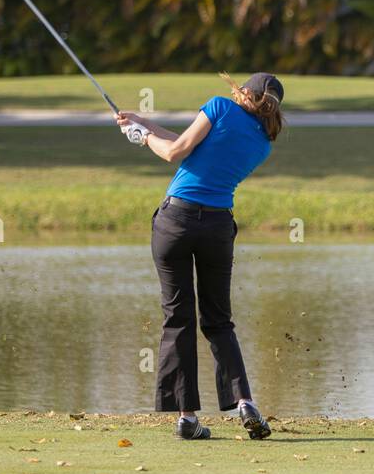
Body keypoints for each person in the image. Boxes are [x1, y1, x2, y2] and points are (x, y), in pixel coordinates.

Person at [115, 72, 284, 440]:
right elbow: (193, 148)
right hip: (217, 229)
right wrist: (143, 122)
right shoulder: (262, 142)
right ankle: (244, 402)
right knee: (219, 320)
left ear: (243, 93)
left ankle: (188, 417)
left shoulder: (221, 106)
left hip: (176, 222)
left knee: (178, 318)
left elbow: (176, 153)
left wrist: (142, 138)